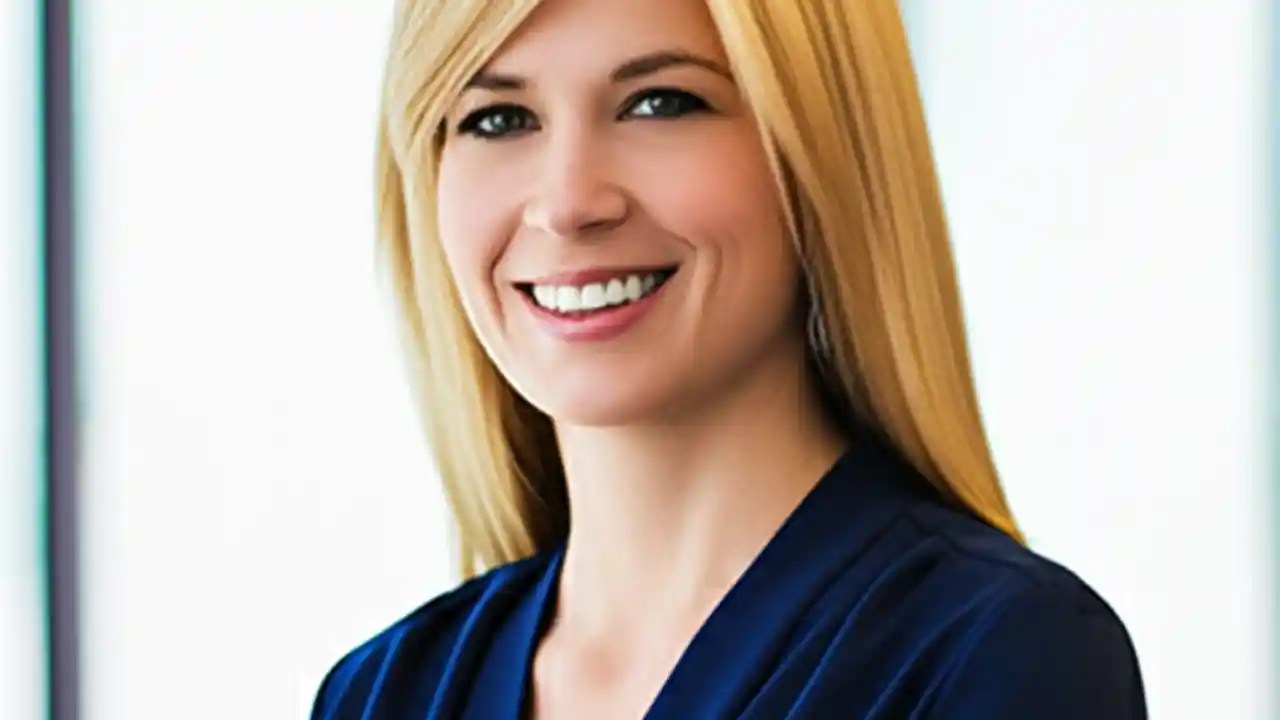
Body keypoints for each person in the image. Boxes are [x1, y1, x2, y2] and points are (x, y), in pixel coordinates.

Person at [311, 0, 1148, 717]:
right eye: (498, 119)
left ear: (821, 149)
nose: (568, 202)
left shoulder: (997, 652)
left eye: (660, 103)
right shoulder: (382, 692)